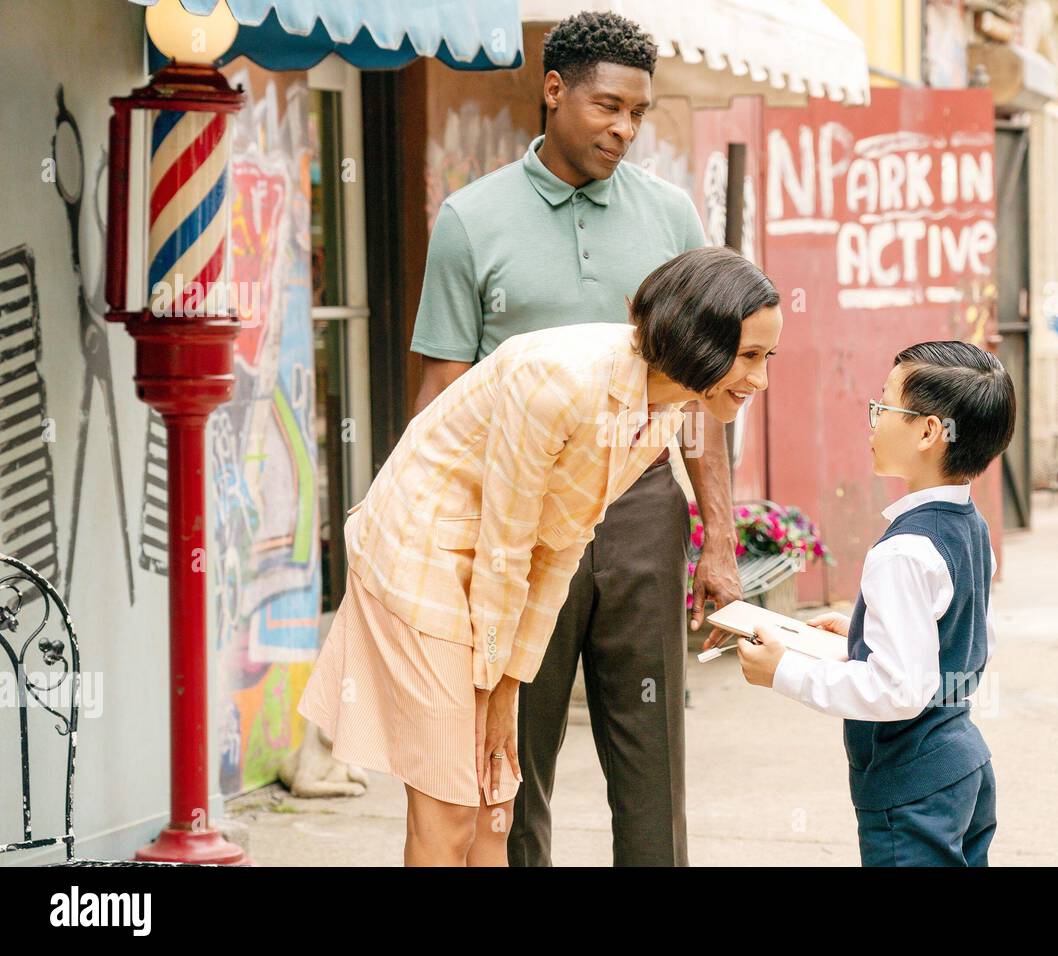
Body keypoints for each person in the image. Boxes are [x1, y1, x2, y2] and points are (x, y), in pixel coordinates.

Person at [298, 247, 782, 866]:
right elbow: (508, 548)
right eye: (749, 357)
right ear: (699, 336)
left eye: (767, 358)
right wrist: (500, 690)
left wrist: (506, 689)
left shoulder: (664, 407)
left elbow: (561, 547)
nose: (760, 380)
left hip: (492, 558)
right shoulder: (560, 381)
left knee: (495, 809)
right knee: (450, 814)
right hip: (421, 553)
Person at [408, 11, 742, 867]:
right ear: (553, 91)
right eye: (607, 107)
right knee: (510, 757)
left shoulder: (670, 216)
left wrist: (720, 542)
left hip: (639, 512)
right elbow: (440, 395)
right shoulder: (471, 221)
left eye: (639, 112)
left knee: (651, 755)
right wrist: (431, 552)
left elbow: (701, 391)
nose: (624, 130)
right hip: (510, 527)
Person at [731, 341, 1015, 867]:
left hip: (911, 788)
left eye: (883, 406)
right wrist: (862, 636)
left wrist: (784, 670)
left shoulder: (903, 551)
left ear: (929, 431)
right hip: (964, 768)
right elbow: (964, 641)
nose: (873, 421)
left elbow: (900, 690)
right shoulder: (970, 527)